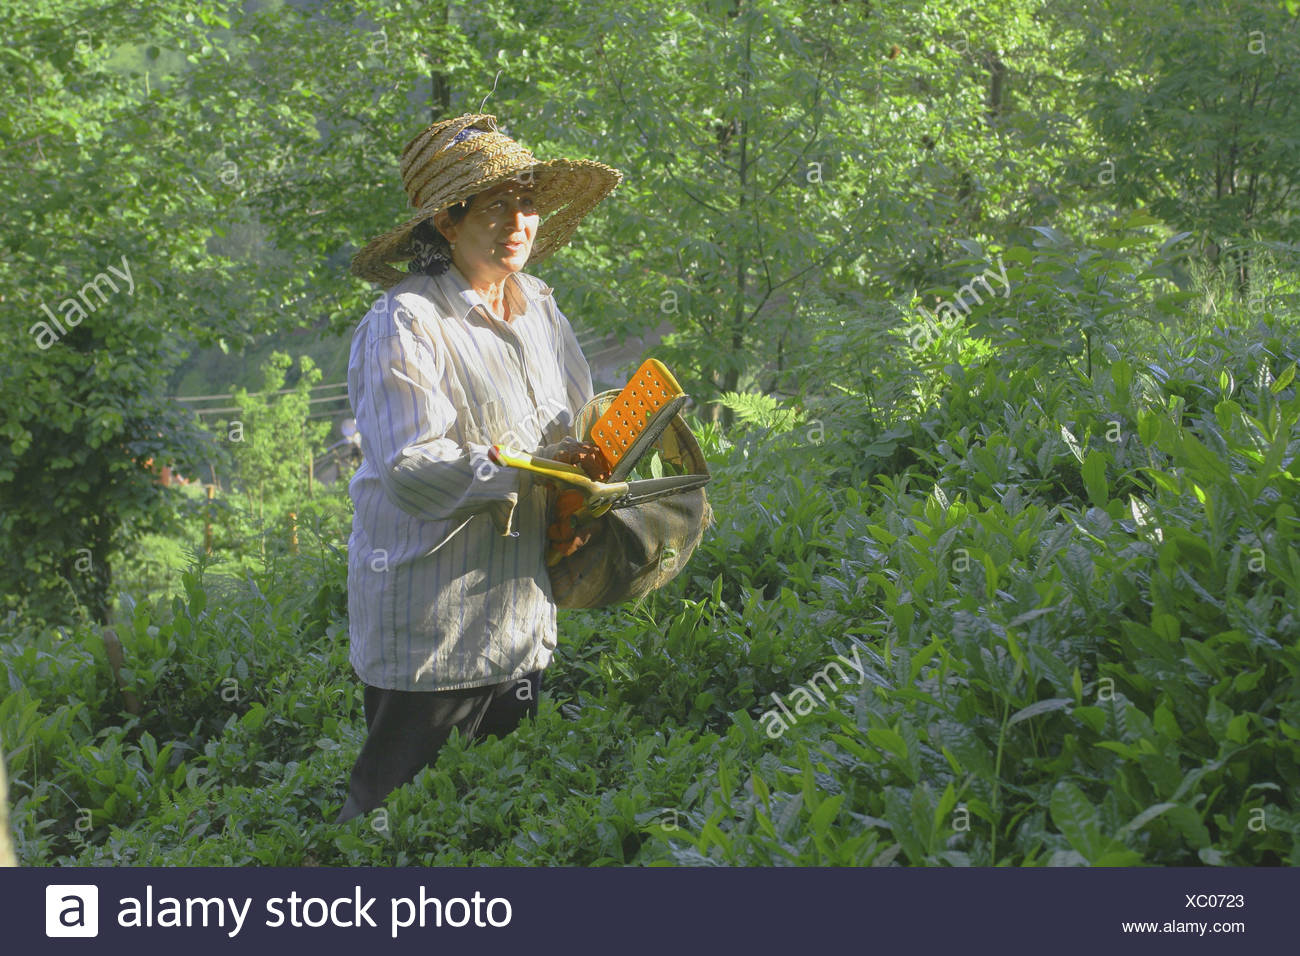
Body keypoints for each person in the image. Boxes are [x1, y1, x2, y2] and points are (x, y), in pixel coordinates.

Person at [335, 113, 622, 823]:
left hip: (520, 611)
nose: (520, 220)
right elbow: (410, 465)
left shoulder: (539, 310)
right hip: (434, 619)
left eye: (527, 201)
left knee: (498, 808)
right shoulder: (407, 321)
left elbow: (576, 422)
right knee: (391, 816)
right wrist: (530, 472)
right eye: (496, 204)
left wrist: (607, 456)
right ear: (447, 219)